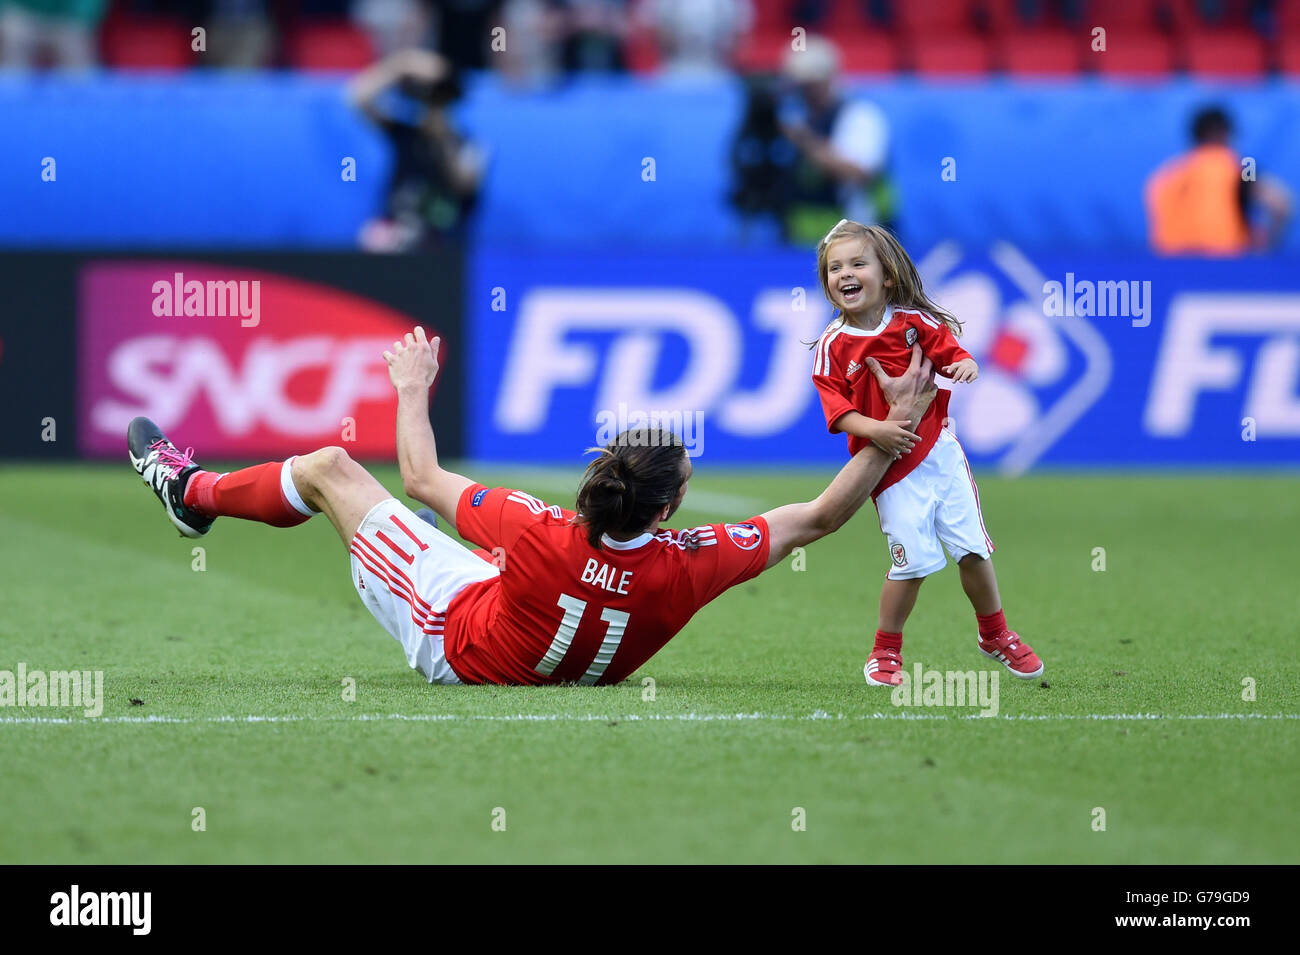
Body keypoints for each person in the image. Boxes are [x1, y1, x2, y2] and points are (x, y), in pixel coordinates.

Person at [126, 326, 937, 687]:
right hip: (531, 610)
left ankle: (187, 494)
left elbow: (418, 474)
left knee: (334, 468)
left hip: (451, 633)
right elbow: (822, 515)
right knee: (508, 564)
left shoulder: (535, 525)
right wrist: (894, 431)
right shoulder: (692, 566)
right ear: (673, 506)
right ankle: (191, 494)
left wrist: (411, 388)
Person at [809, 219, 1044, 687]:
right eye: (835, 268)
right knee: (911, 562)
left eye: (858, 263)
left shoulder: (916, 324)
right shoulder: (832, 346)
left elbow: (951, 352)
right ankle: (884, 652)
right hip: (888, 471)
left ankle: (994, 633)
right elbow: (838, 413)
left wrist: (965, 365)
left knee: (973, 550)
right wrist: (879, 429)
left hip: (939, 453)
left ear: (888, 276)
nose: (845, 273)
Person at [349, 48, 484, 251]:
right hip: (393, 233)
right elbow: (358, 99)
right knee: (373, 236)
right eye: (427, 101)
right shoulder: (404, 133)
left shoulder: (467, 144)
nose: (431, 108)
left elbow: (465, 183)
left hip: (439, 240)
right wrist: (403, 64)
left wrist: (442, 140)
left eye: (437, 101)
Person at [778, 35, 895, 246]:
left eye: (811, 85)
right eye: (800, 86)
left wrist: (805, 141)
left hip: (858, 239)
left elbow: (859, 172)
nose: (806, 93)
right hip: (802, 239)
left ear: (830, 79)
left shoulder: (859, 116)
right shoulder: (797, 117)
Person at [1145, 105, 1293, 256]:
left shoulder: (1166, 174)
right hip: (1226, 263)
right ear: (1226, 133)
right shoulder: (1242, 166)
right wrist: (1266, 247)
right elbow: (1281, 205)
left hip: (1169, 264)